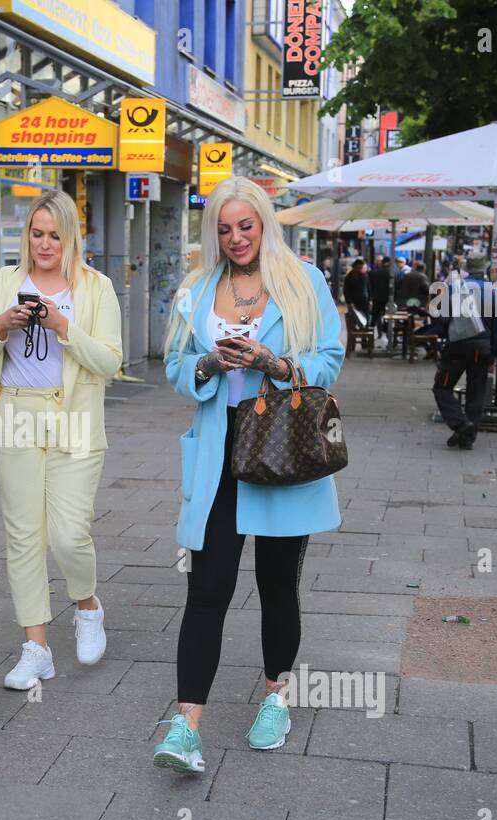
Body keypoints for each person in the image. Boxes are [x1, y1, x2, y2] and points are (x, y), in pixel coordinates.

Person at [155, 176, 345, 774]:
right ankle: (186, 726)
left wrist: (277, 363)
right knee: (206, 587)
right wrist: (209, 363)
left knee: (276, 583)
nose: (236, 237)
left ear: (264, 223)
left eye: (246, 225)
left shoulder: (302, 282)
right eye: (225, 227)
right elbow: (176, 366)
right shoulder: (197, 288)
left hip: (282, 445)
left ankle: (275, 696)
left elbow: (331, 359)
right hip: (220, 448)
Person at [0, 191, 122, 689]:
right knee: (23, 535)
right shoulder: (6, 282)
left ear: (70, 237)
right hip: (16, 411)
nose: (44, 244)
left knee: (68, 533)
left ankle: (87, 605)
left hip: (74, 417)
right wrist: (2, 324)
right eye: (36, 233)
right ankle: (36, 647)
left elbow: (110, 362)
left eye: (53, 235)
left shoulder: (96, 287)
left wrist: (63, 326)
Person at [432, 253, 497, 450]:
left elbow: (443, 319)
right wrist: (494, 354)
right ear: (485, 268)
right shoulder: (492, 292)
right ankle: (468, 437)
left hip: (457, 346)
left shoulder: (455, 288)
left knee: (442, 387)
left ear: (467, 268)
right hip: (482, 348)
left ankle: (461, 425)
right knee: (476, 392)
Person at [369, 255, 393, 338]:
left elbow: (369, 286)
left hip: (376, 299)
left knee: (374, 318)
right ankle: (388, 336)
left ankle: (369, 338)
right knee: (388, 317)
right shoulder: (392, 273)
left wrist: (371, 298)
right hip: (388, 299)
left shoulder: (373, 272)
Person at [343, 258, 370, 325]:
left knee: (366, 319)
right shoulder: (349, 277)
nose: (360, 269)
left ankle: (365, 330)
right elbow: (346, 290)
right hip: (353, 301)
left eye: (361, 267)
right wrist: (349, 302)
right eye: (359, 267)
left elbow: (369, 288)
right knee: (353, 319)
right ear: (354, 267)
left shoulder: (365, 276)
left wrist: (370, 299)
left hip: (364, 301)